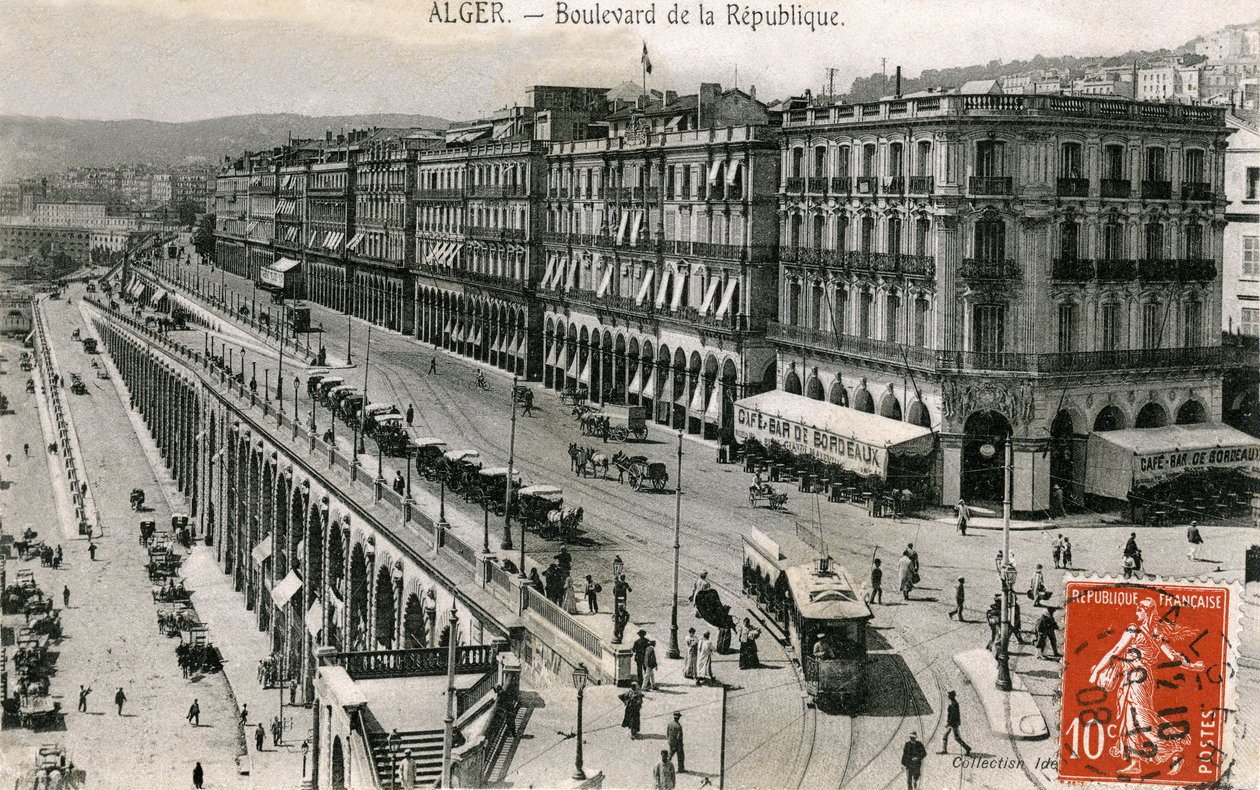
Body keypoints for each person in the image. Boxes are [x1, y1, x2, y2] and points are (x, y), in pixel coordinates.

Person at [940, 691, 972, 756]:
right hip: (952, 723)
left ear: (952, 696)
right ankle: (944, 750)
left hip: (953, 724)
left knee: (957, 738)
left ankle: (967, 748)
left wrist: (949, 723)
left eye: (949, 695)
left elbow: (953, 715)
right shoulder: (952, 703)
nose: (948, 696)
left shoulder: (954, 704)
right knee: (945, 735)